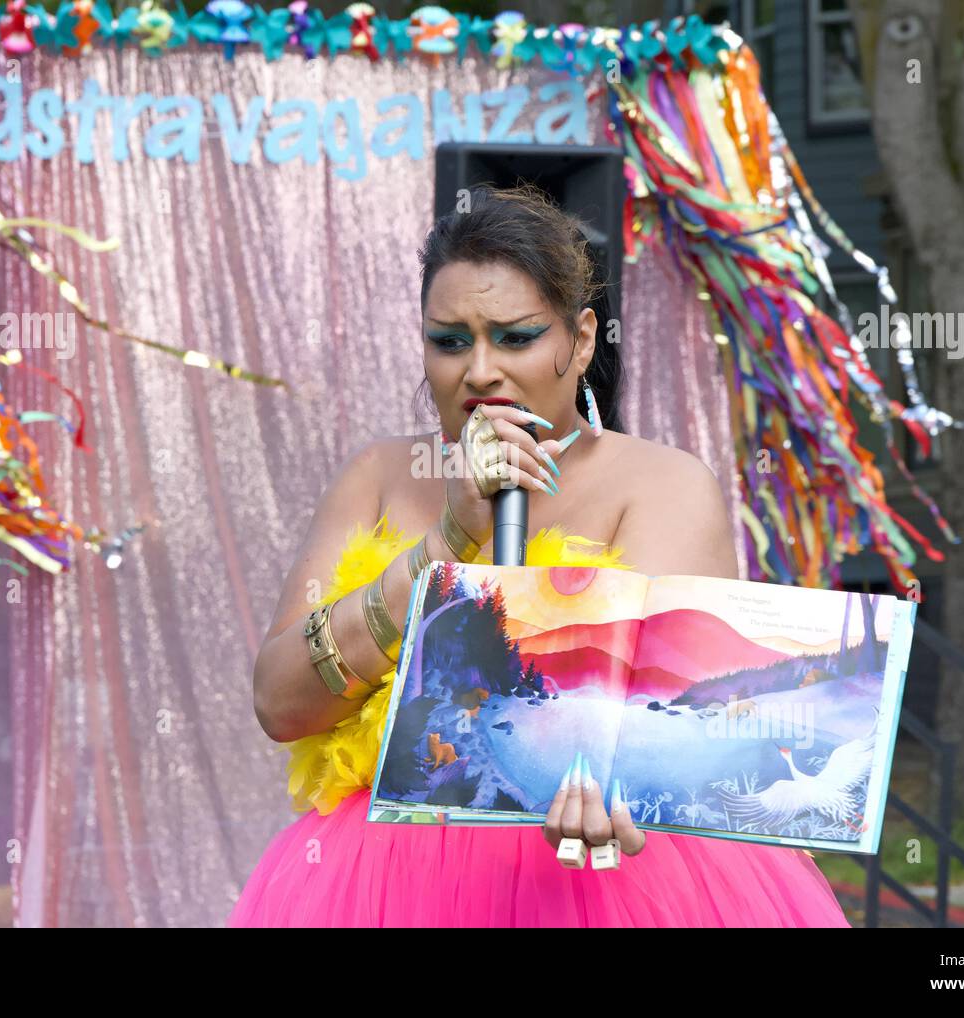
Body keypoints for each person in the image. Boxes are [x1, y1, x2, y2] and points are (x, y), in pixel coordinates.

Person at [228, 184, 850, 927]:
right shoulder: (378, 477)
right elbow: (281, 703)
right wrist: (446, 543)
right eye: (450, 340)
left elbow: (668, 729)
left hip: (604, 888)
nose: (480, 371)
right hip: (383, 889)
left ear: (581, 340)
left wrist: (620, 786)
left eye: (516, 337)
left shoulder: (661, 486)